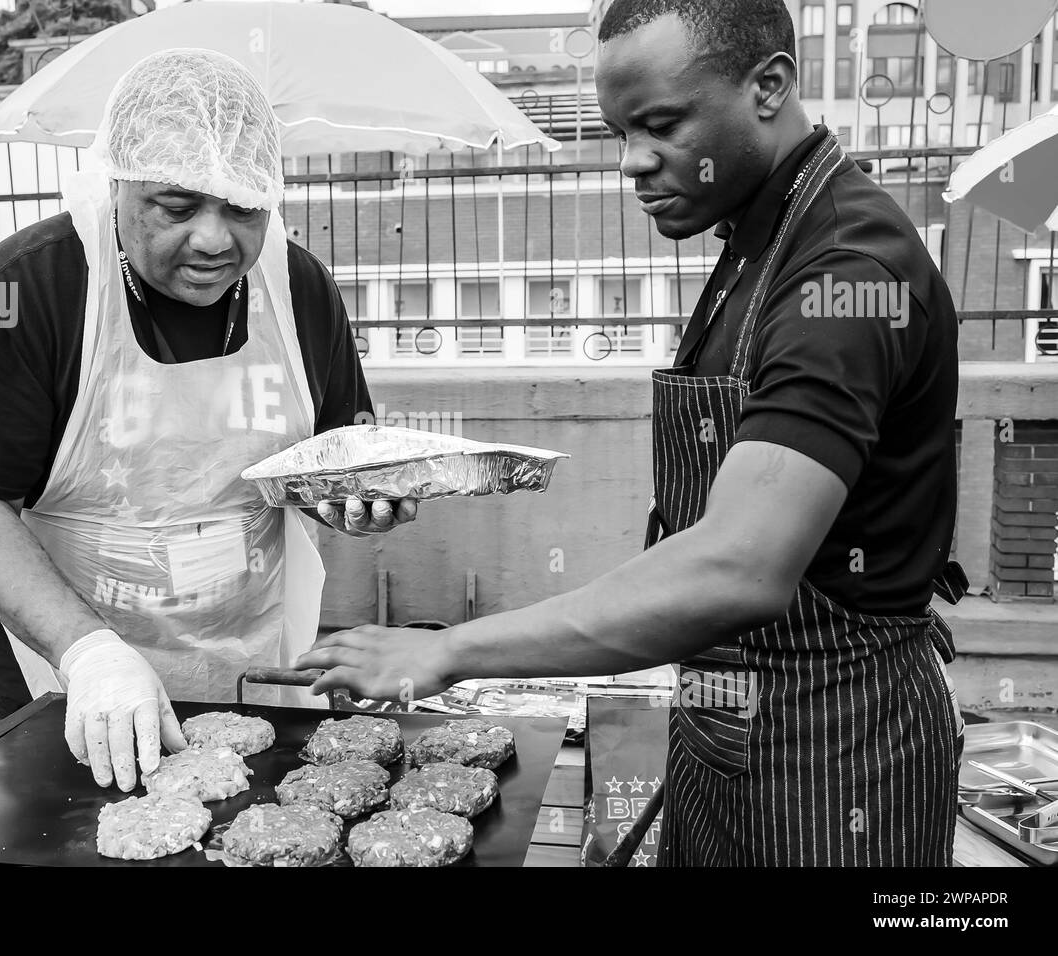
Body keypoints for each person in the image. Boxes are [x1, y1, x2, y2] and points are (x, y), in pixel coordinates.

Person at [298, 0, 967, 866]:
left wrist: (452, 652)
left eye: (660, 125)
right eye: (619, 130)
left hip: (835, 754)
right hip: (729, 719)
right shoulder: (761, 241)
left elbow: (739, 565)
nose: (633, 162)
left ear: (769, 85)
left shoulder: (844, 277)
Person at [0, 50, 415, 793]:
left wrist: (356, 498)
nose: (214, 239)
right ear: (118, 184)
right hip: (69, 692)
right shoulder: (35, 285)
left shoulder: (298, 288)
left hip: (253, 679)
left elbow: (335, 454)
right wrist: (89, 655)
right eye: (177, 207)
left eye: (243, 207)